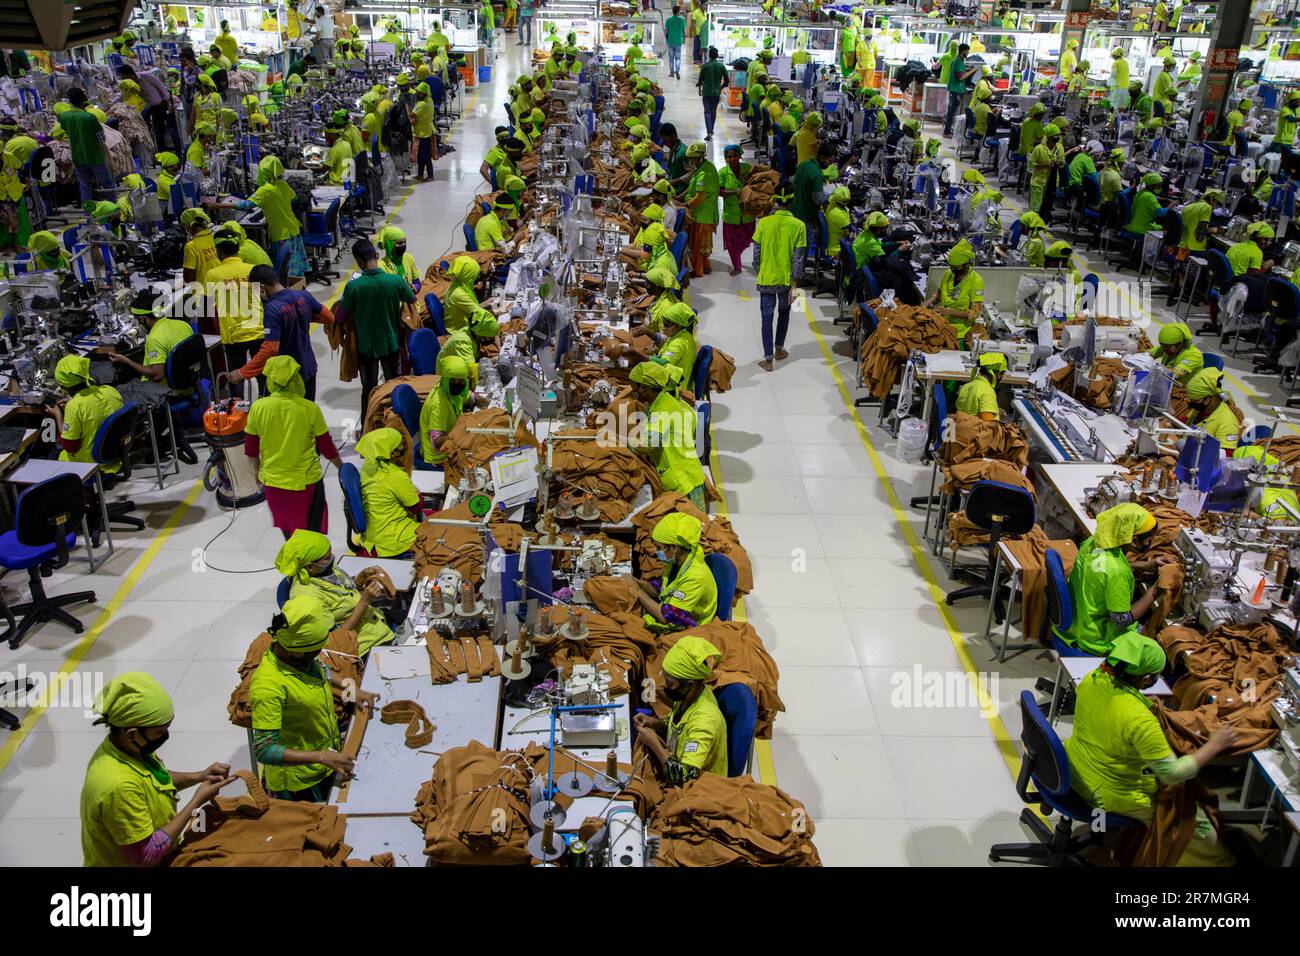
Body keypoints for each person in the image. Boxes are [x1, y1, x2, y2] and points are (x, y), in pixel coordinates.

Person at [1064, 631, 1238, 866]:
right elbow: (1172, 773)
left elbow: (1112, 713)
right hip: (1111, 793)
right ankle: (1217, 861)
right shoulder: (1139, 720)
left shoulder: (1092, 679)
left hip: (1074, 767)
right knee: (1192, 825)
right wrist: (1215, 745)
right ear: (1146, 679)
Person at [81, 672, 234, 866]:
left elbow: (154, 780)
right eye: (160, 732)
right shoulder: (117, 786)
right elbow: (147, 855)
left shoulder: (127, 749)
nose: (166, 736)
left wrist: (200, 775)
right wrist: (196, 801)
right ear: (132, 734)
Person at [250, 594, 375, 802]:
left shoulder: (295, 653)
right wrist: (321, 756)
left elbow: (320, 670)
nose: (318, 654)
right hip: (301, 782)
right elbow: (264, 750)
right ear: (296, 652)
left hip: (326, 759)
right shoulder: (268, 687)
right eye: (314, 651)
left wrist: (353, 689)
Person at [245, 356, 342, 537]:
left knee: (290, 534)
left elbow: (251, 450)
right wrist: (341, 468)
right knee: (312, 535)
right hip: (306, 483)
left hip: (274, 484)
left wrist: (258, 474)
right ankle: (315, 563)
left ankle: (295, 563)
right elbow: (326, 447)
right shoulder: (308, 408)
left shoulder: (258, 408)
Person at [277, 530, 395, 652]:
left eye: (330, 552)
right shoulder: (309, 598)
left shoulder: (324, 569)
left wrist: (359, 579)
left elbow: (341, 591)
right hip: (365, 644)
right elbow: (335, 639)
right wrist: (364, 602)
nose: (332, 557)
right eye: (327, 557)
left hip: (376, 619)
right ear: (310, 566)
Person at [634, 635, 728, 784]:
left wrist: (654, 743)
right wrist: (655, 723)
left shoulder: (705, 720)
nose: (665, 687)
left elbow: (684, 776)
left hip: (701, 787)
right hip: (675, 760)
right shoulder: (689, 696)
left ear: (689, 685)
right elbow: (679, 730)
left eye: (670, 684)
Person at [338, 239, 416, 416]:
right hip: (391, 343)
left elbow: (341, 316)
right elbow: (411, 299)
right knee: (394, 386)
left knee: (369, 389)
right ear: (377, 255)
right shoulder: (395, 281)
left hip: (366, 347)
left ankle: (368, 423)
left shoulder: (353, 287)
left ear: (358, 261)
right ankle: (397, 420)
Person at [235, 265, 334, 400]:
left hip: (287, 377)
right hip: (309, 369)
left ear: (262, 289)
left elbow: (270, 349)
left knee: (289, 418)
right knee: (308, 413)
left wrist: (242, 373)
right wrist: (302, 317)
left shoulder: (272, 309)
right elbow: (329, 317)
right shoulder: (303, 295)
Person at [628, 360, 706, 507]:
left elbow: (647, 443)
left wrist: (624, 442)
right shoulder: (665, 401)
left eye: (634, 388)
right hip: (687, 475)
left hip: (683, 484)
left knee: (687, 526)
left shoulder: (662, 411)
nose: (633, 392)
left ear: (644, 388)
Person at [751, 184, 805, 372]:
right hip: (786, 280)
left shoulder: (764, 223)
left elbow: (756, 253)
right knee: (784, 313)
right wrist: (795, 283)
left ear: (775, 200)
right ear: (792, 201)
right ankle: (779, 349)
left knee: (766, 319)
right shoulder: (799, 226)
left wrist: (760, 271)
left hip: (766, 278)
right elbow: (798, 258)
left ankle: (768, 360)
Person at [634, 512, 718, 632]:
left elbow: (666, 617)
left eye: (659, 547)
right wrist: (636, 582)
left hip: (688, 627)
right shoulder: (679, 559)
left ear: (674, 547)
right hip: (672, 609)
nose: (656, 552)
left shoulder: (695, 578)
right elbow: (662, 588)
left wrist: (636, 590)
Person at [237, 155, 307, 285]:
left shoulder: (265, 190)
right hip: (293, 230)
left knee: (283, 272)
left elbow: (245, 205)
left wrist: (218, 205)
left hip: (280, 234)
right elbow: (292, 199)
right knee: (295, 273)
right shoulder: (283, 184)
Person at [207, 228, 265, 381]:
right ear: (238, 248)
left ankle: (236, 404)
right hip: (258, 331)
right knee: (262, 376)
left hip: (233, 336)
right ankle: (264, 403)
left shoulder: (213, 274)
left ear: (218, 250)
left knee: (235, 378)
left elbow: (207, 306)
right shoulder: (252, 269)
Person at [48, 355, 123, 471]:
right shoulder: (109, 390)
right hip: (115, 453)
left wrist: (58, 415)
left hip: (90, 462)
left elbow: (70, 447)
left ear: (64, 385)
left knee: (51, 454)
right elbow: (97, 408)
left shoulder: (74, 406)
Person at [109, 289, 194, 390]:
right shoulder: (183, 325)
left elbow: (157, 376)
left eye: (137, 320)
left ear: (142, 318)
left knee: (119, 390)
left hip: (166, 391)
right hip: (190, 383)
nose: (139, 324)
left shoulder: (154, 339)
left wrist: (127, 361)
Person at [924, 240, 984, 347]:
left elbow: (974, 313)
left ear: (966, 265)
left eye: (956, 268)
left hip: (959, 333)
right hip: (941, 324)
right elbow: (939, 293)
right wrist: (928, 302)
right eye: (951, 266)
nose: (953, 270)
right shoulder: (949, 274)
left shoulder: (976, 281)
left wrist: (946, 311)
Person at [61, 88, 113, 208]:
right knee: (108, 185)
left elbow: (67, 133)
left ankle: (89, 214)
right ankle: (112, 210)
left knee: (85, 186)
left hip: (78, 157)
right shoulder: (89, 117)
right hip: (95, 157)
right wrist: (109, 159)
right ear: (83, 101)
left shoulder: (64, 117)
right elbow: (101, 140)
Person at [419, 355, 471, 467]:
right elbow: (437, 441)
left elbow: (465, 396)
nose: (458, 384)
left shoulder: (449, 390)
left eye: (461, 381)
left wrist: (482, 400)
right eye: (454, 381)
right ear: (447, 380)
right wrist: (461, 433)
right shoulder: (438, 405)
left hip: (451, 437)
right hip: (438, 456)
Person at [682, 142, 720, 277]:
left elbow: (699, 198)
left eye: (692, 159)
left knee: (697, 245)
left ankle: (698, 271)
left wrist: (686, 205)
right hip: (704, 213)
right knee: (701, 245)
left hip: (703, 214)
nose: (690, 162)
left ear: (699, 158)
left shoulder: (704, 173)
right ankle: (705, 265)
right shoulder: (704, 167)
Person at [439, 307, 499, 390]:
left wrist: (499, 348)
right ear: (480, 335)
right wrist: (492, 361)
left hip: (467, 364)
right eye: (487, 337)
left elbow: (494, 333)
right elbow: (472, 371)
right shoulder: (462, 342)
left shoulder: (472, 332)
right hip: (451, 377)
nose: (490, 339)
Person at [718, 143, 754, 275]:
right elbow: (719, 190)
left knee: (746, 241)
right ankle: (737, 266)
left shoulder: (747, 168)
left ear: (739, 156)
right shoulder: (723, 172)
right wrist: (734, 192)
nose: (732, 159)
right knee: (733, 246)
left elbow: (756, 182)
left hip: (747, 214)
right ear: (726, 159)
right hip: (731, 216)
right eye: (729, 157)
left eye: (735, 156)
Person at [1184, 367, 1241, 451]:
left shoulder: (1228, 422)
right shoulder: (1201, 409)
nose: (1192, 403)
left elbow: (1225, 455)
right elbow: (1184, 421)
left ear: (1211, 397)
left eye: (1195, 400)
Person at [792, 141, 834, 244]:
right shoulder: (816, 174)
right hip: (807, 216)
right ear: (821, 157)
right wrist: (831, 194)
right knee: (803, 247)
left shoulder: (803, 165)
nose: (829, 165)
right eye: (829, 161)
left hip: (795, 210)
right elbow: (818, 199)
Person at [956, 352, 1005, 422]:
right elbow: (988, 424)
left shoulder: (966, 386)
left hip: (963, 428)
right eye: (1002, 374)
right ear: (999, 374)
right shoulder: (987, 392)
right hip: (977, 431)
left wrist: (995, 410)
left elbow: (971, 409)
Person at [1028, 123, 1064, 218]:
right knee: (1035, 207)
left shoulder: (1059, 148)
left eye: (1059, 136)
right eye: (1056, 136)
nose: (1058, 137)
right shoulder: (1039, 149)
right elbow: (1031, 164)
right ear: (1050, 137)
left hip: (1052, 183)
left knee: (1046, 206)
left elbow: (1062, 163)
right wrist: (1044, 165)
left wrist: (1058, 162)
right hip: (1039, 182)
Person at [943, 44, 976, 138]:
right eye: (967, 51)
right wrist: (972, 71)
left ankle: (947, 130)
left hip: (955, 89)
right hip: (956, 90)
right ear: (963, 51)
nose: (968, 53)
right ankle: (947, 132)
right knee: (951, 112)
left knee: (951, 111)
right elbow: (960, 77)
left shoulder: (958, 60)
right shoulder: (958, 61)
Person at [697, 47, 728, 140]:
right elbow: (727, 81)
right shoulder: (721, 66)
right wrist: (720, 88)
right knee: (713, 111)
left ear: (709, 55)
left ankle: (709, 131)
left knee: (707, 112)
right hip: (716, 94)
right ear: (717, 56)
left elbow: (700, 80)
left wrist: (699, 90)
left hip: (706, 93)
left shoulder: (705, 66)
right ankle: (711, 130)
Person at [411, 83, 436, 181]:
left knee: (424, 156)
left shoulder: (421, 105)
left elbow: (412, 117)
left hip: (422, 133)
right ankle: (420, 174)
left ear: (423, 94)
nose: (416, 94)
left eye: (418, 92)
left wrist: (407, 109)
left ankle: (430, 175)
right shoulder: (429, 100)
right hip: (427, 130)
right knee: (422, 155)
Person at [665, 5, 686, 78]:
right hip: (678, 42)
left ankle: (671, 73)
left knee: (671, 58)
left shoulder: (668, 20)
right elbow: (683, 31)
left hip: (671, 41)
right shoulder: (682, 20)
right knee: (678, 58)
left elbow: (666, 31)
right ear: (678, 12)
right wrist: (684, 38)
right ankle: (677, 70)